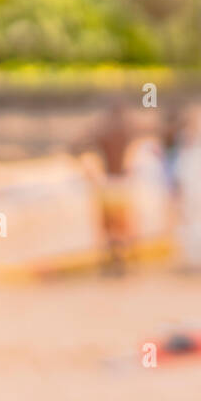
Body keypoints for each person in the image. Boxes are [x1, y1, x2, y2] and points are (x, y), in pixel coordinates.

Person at [75, 100, 139, 273]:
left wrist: (88, 169)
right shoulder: (127, 128)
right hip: (121, 183)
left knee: (107, 227)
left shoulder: (102, 129)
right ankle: (121, 262)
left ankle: (109, 262)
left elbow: (76, 145)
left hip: (105, 182)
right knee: (121, 226)